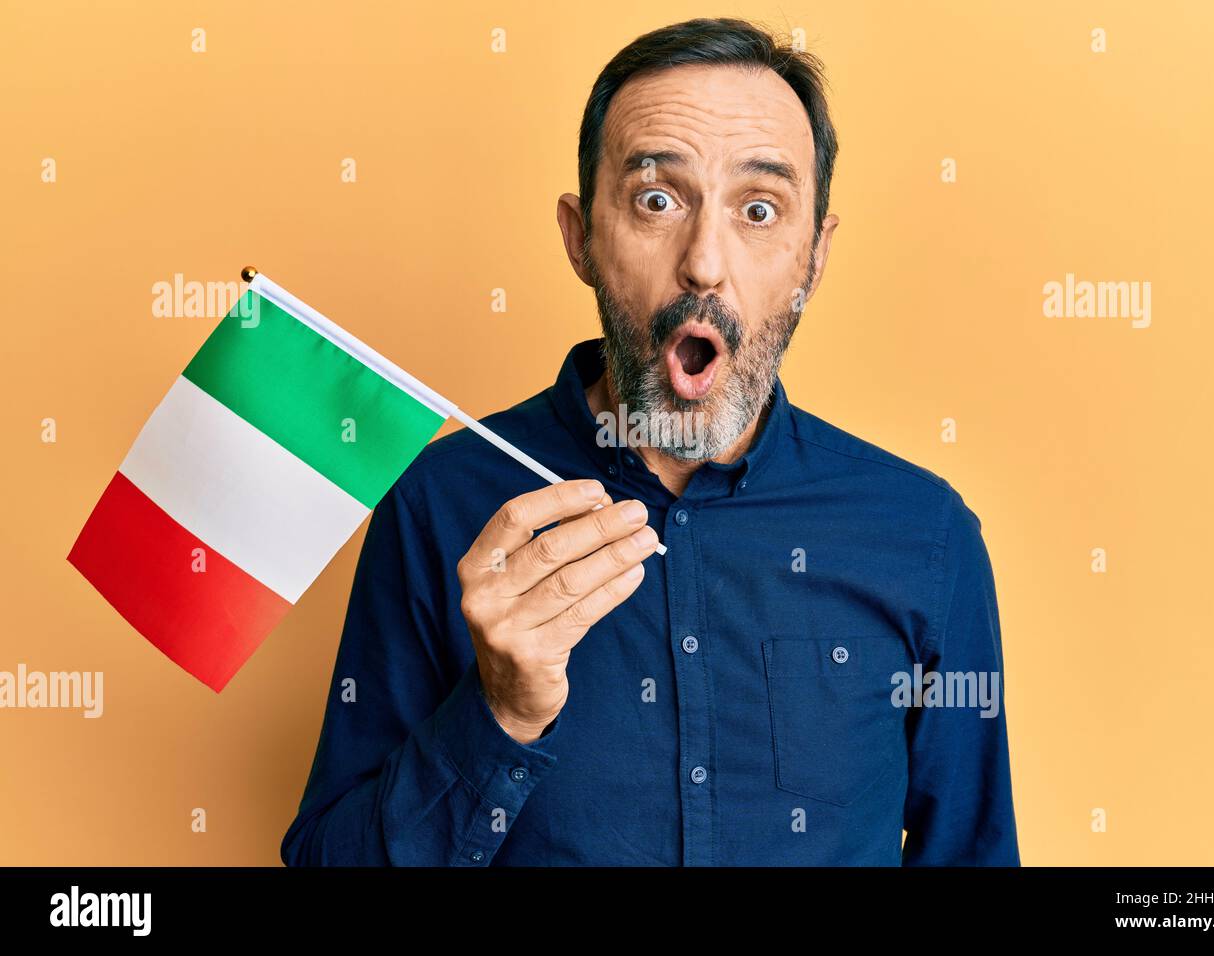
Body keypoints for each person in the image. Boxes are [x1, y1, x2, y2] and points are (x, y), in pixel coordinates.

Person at [281, 16, 1019, 866]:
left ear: (814, 257)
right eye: (656, 200)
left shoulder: (925, 537)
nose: (704, 262)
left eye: (759, 208)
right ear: (580, 237)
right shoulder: (441, 507)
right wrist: (498, 715)